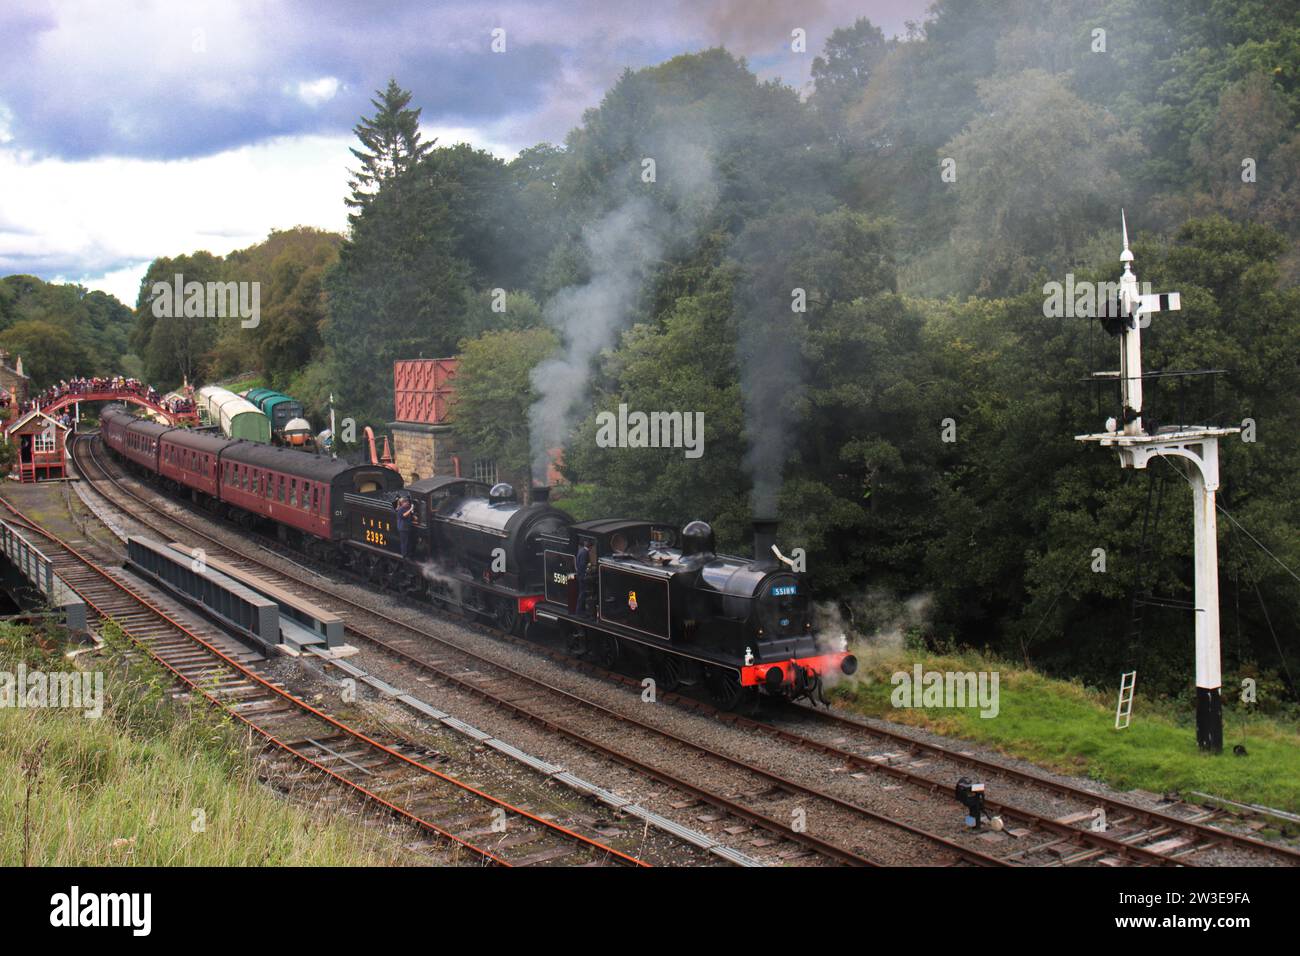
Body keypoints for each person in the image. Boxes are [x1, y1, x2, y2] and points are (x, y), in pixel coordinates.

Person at [575, 540, 595, 617]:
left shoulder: (581, 550)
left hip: (580, 575)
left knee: (582, 593)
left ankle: (580, 610)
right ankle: (579, 611)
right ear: (591, 547)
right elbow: (583, 565)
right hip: (583, 576)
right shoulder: (585, 553)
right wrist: (588, 572)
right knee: (582, 593)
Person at [395, 495, 414, 561]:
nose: (408, 503)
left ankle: (409, 553)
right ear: (403, 503)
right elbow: (404, 516)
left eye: (408, 502)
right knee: (404, 542)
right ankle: (404, 555)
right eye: (407, 502)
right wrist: (411, 509)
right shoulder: (400, 509)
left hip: (407, 527)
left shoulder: (406, 509)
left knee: (408, 542)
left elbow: (409, 515)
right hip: (402, 528)